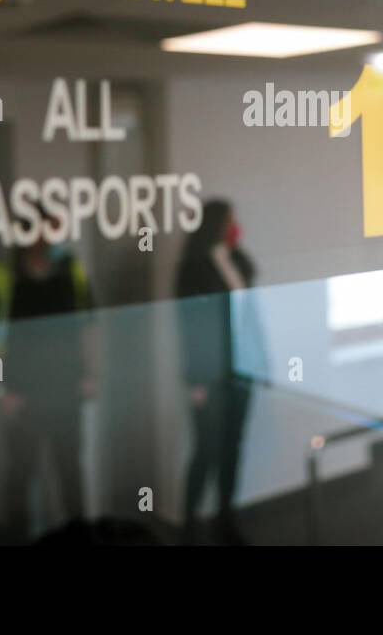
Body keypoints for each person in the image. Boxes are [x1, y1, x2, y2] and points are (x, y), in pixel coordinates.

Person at [0, 233, 95, 540]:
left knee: (70, 472)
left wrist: (89, 374)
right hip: (21, 396)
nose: (51, 240)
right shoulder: (4, 276)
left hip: (66, 391)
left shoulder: (70, 270)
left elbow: (88, 325)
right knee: (19, 476)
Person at [177, 199, 260, 545]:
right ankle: (189, 529)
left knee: (232, 448)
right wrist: (194, 380)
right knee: (206, 451)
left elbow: (250, 305)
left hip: (240, 369)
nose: (235, 226)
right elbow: (188, 324)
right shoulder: (194, 268)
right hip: (209, 376)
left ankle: (226, 522)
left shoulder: (235, 260)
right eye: (230, 220)